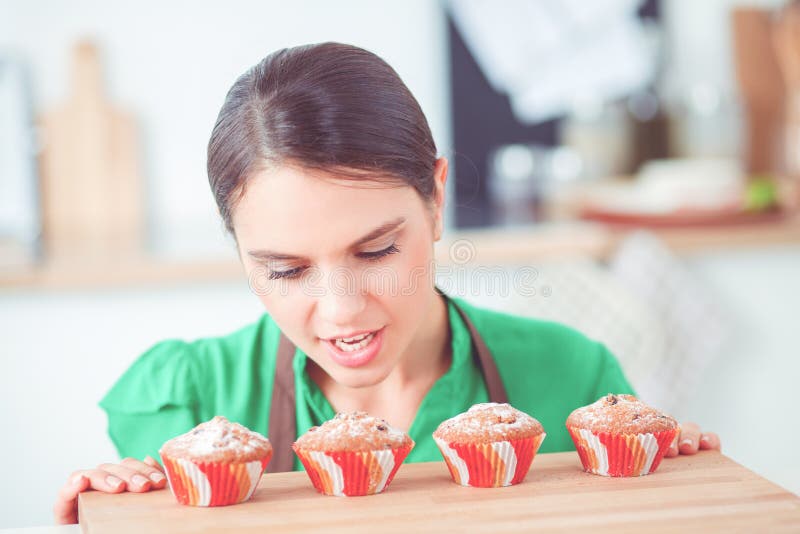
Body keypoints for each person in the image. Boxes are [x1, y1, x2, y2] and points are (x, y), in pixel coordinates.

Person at [53, 42, 720, 524]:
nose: (342, 312)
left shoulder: (569, 375)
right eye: (285, 269)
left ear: (435, 198)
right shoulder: (187, 399)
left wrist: (686, 494)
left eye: (376, 251)